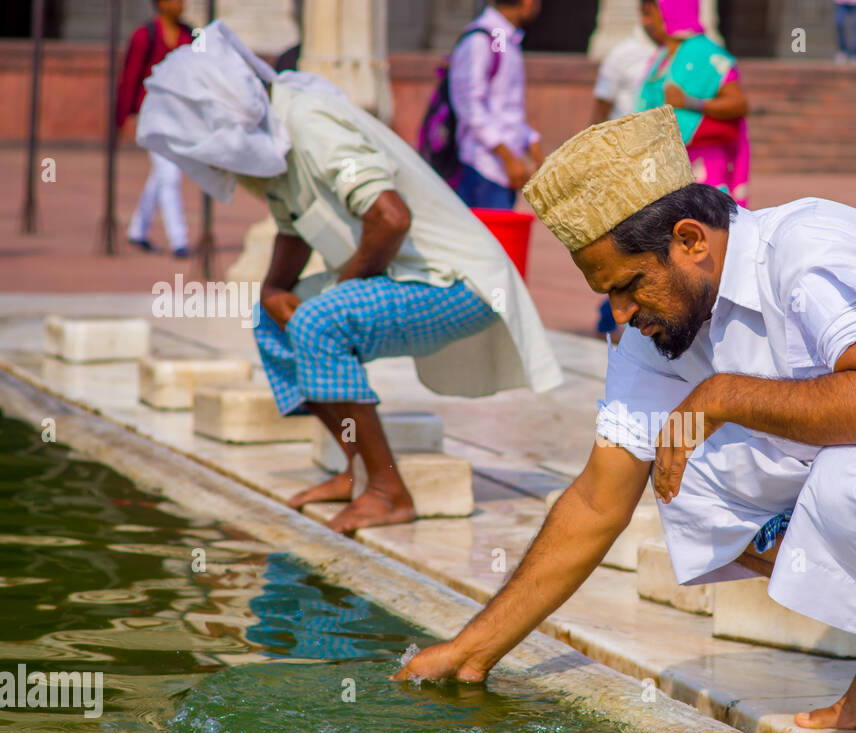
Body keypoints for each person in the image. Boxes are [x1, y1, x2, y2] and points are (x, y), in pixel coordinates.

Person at [395, 107, 856, 733]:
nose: (620, 311)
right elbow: (594, 500)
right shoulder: (658, 331)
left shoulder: (806, 248)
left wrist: (724, 395)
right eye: (605, 295)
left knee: (852, 474)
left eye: (629, 285)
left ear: (689, 241)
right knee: (688, 482)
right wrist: (470, 650)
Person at [137, 21, 563, 535]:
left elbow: (390, 216)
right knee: (273, 317)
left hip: (458, 284)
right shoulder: (276, 132)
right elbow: (291, 226)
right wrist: (273, 289)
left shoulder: (309, 122)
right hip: (415, 278)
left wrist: (342, 290)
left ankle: (388, 492)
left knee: (321, 320)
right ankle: (356, 469)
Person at [636, 0, 750, 208]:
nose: (645, 22)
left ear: (671, 10)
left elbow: (738, 103)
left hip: (701, 166)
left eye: (649, 13)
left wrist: (689, 102)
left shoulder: (706, 53)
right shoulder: (662, 56)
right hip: (666, 165)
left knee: (706, 229)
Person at [592, 24, 658, 337]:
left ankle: (630, 320)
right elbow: (601, 107)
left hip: (658, 166)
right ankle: (610, 321)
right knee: (622, 243)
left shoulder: (676, 56)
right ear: (647, 12)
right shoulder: (622, 55)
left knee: (649, 245)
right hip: (623, 166)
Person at [448, 0, 546, 210]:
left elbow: (504, 106)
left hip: (503, 170)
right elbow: (469, 107)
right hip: (482, 166)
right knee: (483, 240)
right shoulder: (480, 39)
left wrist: (532, 143)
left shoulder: (503, 38)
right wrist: (507, 157)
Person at [115, 0, 193, 257]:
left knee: (160, 175)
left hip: (179, 118)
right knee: (169, 174)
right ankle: (179, 239)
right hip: (151, 117)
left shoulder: (190, 35)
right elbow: (130, 77)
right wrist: (125, 116)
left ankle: (138, 229)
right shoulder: (144, 35)